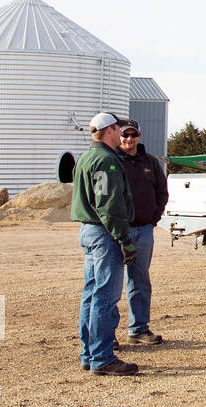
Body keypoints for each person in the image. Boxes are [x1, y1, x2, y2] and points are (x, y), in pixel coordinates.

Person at [72, 112, 139, 376]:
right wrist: (123, 239)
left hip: (89, 231)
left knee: (91, 292)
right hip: (104, 233)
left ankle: (89, 353)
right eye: (118, 128)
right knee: (105, 296)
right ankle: (102, 357)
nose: (122, 133)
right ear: (109, 130)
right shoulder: (105, 160)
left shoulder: (86, 157)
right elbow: (108, 205)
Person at [116, 119, 168, 345]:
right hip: (119, 231)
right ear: (118, 136)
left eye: (133, 135)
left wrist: (152, 219)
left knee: (140, 281)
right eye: (125, 135)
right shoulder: (113, 161)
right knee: (111, 283)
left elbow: (162, 192)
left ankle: (138, 329)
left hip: (144, 231)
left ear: (139, 135)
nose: (129, 139)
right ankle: (107, 335)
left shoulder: (150, 162)